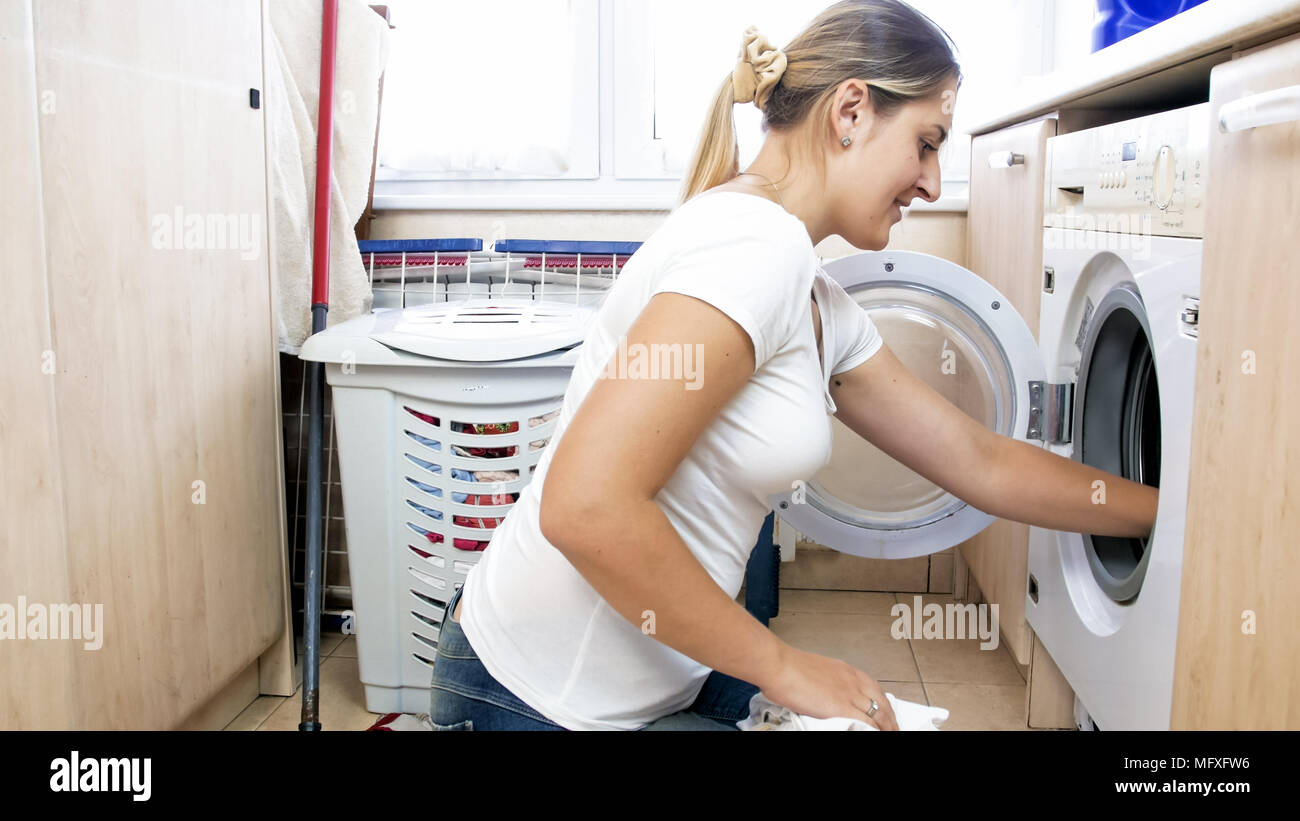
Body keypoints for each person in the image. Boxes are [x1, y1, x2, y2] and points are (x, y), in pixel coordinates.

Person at [428, 0, 1159, 732]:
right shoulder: (753, 250)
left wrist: (1173, 517)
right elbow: (583, 505)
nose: (933, 184)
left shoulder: (812, 293)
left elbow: (979, 459)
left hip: (643, 676)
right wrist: (783, 666)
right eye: (927, 143)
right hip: (526, 696)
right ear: (851, 111)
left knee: (873, 718)